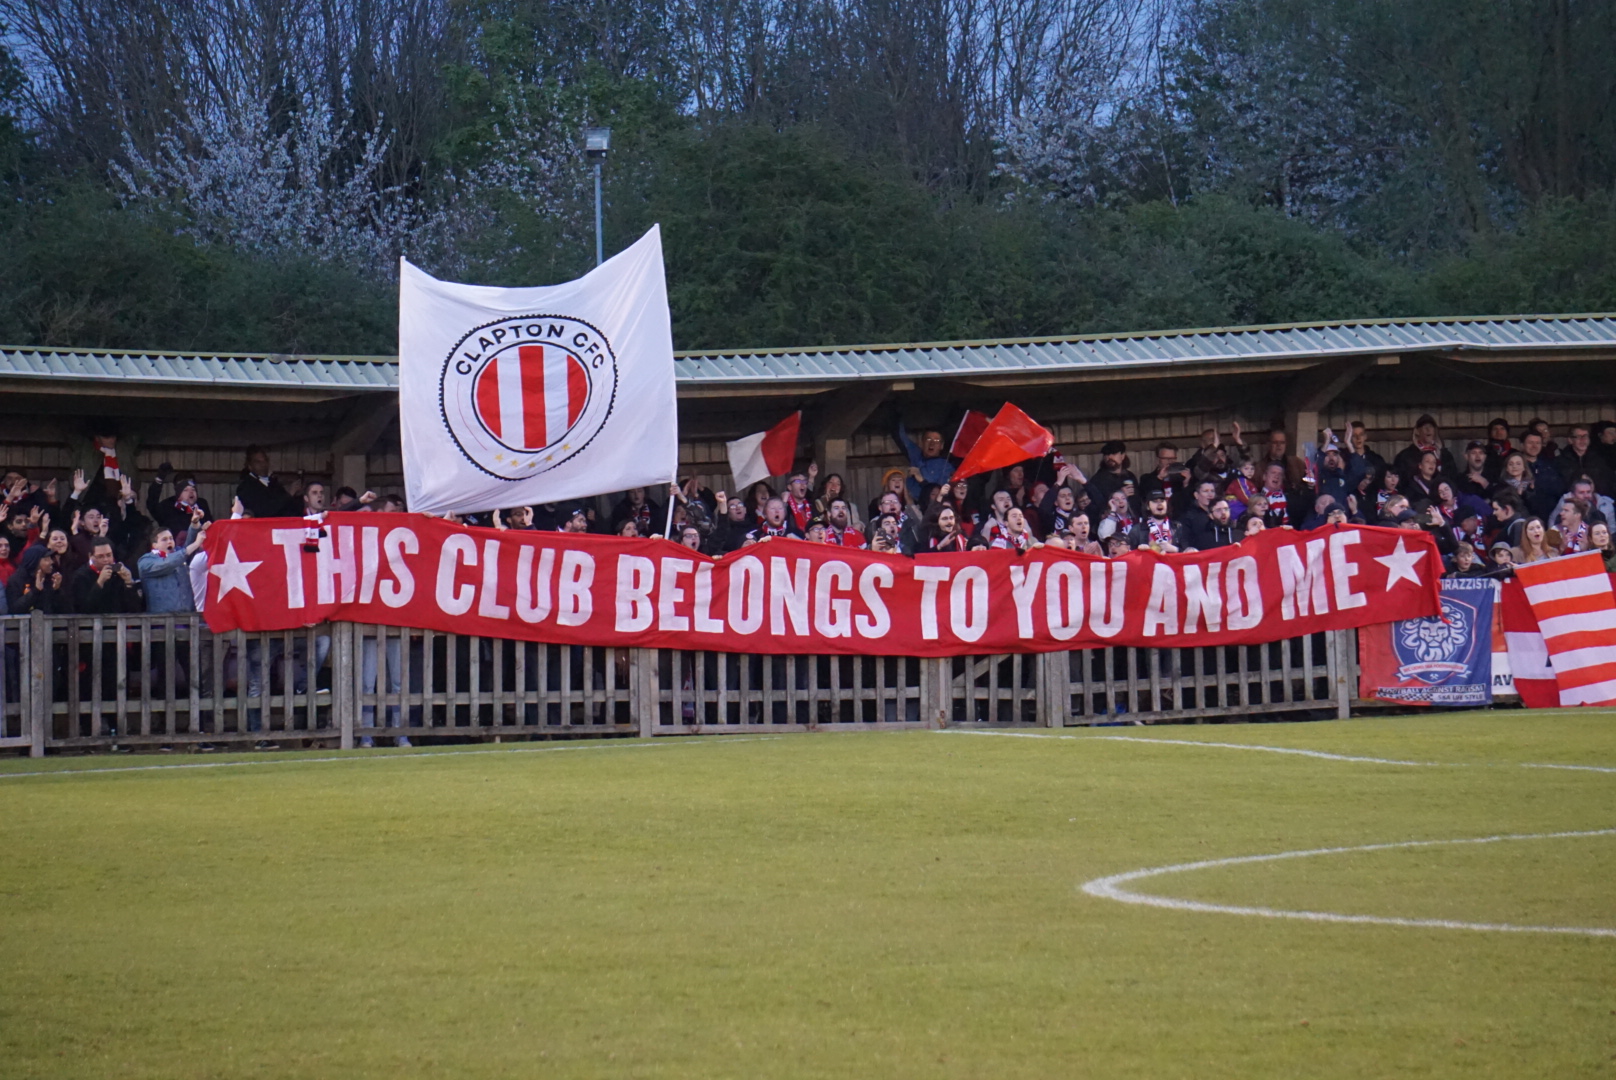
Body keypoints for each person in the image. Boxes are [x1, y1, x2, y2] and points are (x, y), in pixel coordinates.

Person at [71, 538, 141, 614]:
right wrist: (100, 582)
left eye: (109, 555)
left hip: (118, 623)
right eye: (100, 556)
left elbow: (135, 608)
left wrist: (128, 582)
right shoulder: (80, 576)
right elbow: (84, 609)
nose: (106, 559)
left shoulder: (119, 573)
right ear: (90, 556)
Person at [139, 528, 196, 613]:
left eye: (171, 538)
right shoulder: (146, 561)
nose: (169, 541)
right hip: (160, 621)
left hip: (187, 617)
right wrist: (195, 544)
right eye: (164, 539)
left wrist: (195, 525)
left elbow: (189, 546)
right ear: (154, 545)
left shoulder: (179, 555)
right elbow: (168, 563)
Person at [236, 446, 301, 518]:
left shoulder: (274, 484)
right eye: (258, 462)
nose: (263, 464)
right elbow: (262, 510)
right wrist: (289, 494)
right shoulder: (245, 487)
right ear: (250, 466)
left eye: (265, 460)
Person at [896, 422, 953, 500]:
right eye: (928, 439)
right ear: (922, 442)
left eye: (936, 440)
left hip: (931, 508)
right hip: (910, 504)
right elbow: (902, 437)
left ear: (941, 445)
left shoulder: (946, 467)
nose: (932, 443)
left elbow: (940, 494)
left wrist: (922, 480)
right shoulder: (917, 455)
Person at [1392, 413, 1457, 479]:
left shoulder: (1445, 456)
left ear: (1435, 431)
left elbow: (1453, 479)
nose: (1428, 430)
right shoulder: (1405, 456)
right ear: (1417, 431)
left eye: (1431, 427)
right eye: (1424, 427)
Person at [1557, 425, 1614, 495]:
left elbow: (1608, 482)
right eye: (1578, 437)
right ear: (1570, 440)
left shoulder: (1599, 459)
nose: (1583, 440)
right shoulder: (1560, 461)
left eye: (1585, 436)